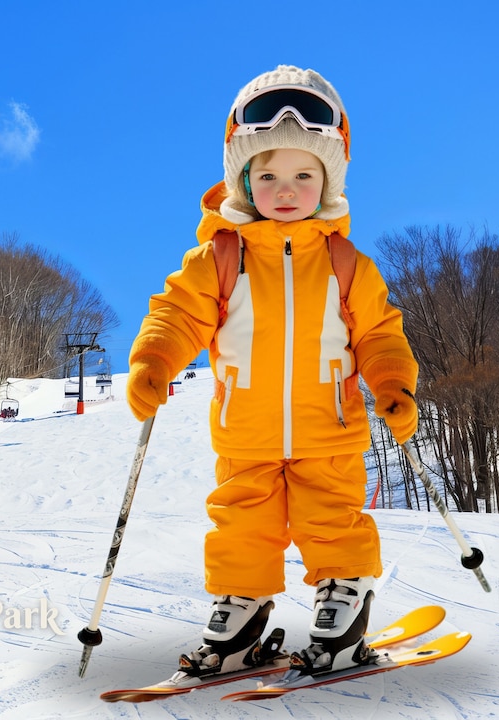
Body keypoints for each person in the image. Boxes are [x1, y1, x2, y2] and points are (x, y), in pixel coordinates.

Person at [126, 65, 419, 677]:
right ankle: (244, 609)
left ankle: (345, 599)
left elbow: (379, 331)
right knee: (241, 524)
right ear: (243, 181)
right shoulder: (218, 259)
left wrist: (391, 384)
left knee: (333, 518)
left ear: (328, 180)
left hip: (329, 431)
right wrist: (154, 362)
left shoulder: (347, 265)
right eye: (267, 175)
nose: (285, 189)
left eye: (303, 175)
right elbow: (177, 313)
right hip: (246, 433)